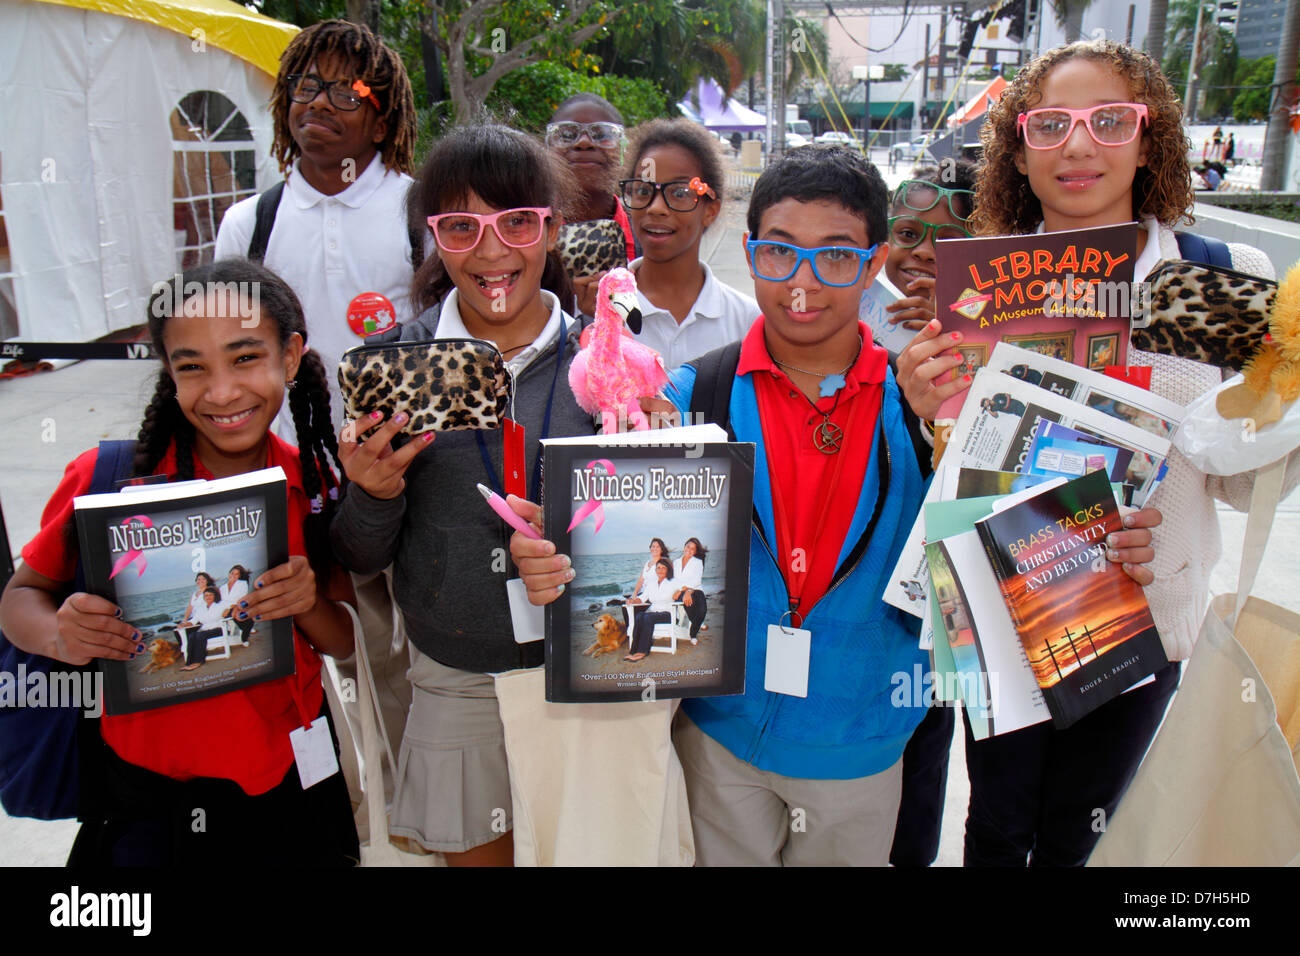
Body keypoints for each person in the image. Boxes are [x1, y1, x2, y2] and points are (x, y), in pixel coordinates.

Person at [898, 38, 1298, 867]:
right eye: (1050, 126)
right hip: (999, 602)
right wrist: (927, 405)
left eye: (1110, 120)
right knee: (997, 831)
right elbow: (956, 462)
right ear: (1019, 148)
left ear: (1149, 139)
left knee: (1091, 837)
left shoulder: (1219, 277)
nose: (1078, 146)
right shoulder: (981, 287)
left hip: (1145, 618)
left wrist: (1278, 397)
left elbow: (1249, 482)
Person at [513, 145, 933, 866]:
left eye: (835, 257)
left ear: (874, 264)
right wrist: (553, 550)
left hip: (860, 739)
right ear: (749, 251)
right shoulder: (687, 397)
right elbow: (607, 534)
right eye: (779, 253)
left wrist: (951, 432)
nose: (802, 283)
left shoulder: (919, 407)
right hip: (718, 734)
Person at [0, 260, 359, 865]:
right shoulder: (106, 480)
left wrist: (307, 604)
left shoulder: (313, 484)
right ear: (168, 371)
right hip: (145, 793)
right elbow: (18, 598)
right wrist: (61, 634)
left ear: (291, 356)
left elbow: (345, 638)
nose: (221, 392)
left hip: (288, 782)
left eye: (245, 357)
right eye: (192, 367)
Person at [329, 124, 596, 867]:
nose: (490, 251)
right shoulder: (389, 371)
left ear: (551, 227)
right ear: (432, 238)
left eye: (516, 221)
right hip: (455, 671)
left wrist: (580, 533)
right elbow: (356, 554)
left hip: (586, 667)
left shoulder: (609, 364)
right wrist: (374, 494)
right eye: (459, 226)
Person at [213, 19, 421, 791]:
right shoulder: (251, 220)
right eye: (306, 85)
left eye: (345, 89)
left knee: (396, 655)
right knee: (307, 651)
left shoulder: (415, 208)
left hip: (394, 476)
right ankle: (334, 804)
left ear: (383, 115)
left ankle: (409, 805)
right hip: (283, 473)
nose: (320, 103)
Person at [618, 118, 759, 367]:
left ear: (710, 210)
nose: (656, 207)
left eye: (680, 193)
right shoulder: (601, 311)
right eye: (642, 190)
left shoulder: (747, 321)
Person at [546, 93, 636, 317]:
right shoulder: (524, 239)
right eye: (567, 135)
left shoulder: (650, 237)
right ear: (547, 149)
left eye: (602, 135)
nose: (584, 142)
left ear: (624, 151)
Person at [868, 161, 977, 337]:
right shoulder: (851, 306)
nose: (925, 253)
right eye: (908, 234)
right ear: (885, 236)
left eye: (947, 242)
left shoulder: (982, 326)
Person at [625, 557, 676, 662]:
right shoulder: (652, 584)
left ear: (668, 570)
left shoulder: (673, 582)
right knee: (639, 616)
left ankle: (643, 651)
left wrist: (681, 593)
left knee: (647, 617)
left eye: (663, 568)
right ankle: (633, 650)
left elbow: (686, 587)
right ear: (655, 570)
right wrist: (632, 601)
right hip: (654, 613)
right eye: (658, 568)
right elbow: (642, 598)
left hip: (668, 613)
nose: (660, 570)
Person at [179, 586, 226, 672]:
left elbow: (228, 611)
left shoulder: (220, 605)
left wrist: (227, 611)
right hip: (206, 630)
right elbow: (193, 621)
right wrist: (184, 625)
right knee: (192, 635)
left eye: (210, 595)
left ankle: (198, 661)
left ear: (215, 595)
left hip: (219, 628)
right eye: (206, 595)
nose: (208, 597)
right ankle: (189, 662)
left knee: (200, 635)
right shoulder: (201, 608)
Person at [671, 537, 708, 641]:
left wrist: (686, 590)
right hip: (680, 592)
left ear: (695, 552)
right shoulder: (676, 562)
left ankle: (697, 623)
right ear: (684, 547)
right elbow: (673, 580)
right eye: (688, 547)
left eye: (693, 549)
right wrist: (682, 591)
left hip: (696, 589)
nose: (689, 550)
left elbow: (696, 580)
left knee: (703, 610)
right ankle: (693, 634)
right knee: (688, 602)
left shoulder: (697, 562)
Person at [220, 564, 255, 644]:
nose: (233, 576)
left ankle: (244, 637)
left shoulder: (242, 584)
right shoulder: (222, 587)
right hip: (225, 610)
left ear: (239, 576)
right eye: (232, 573)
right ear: (229, 574)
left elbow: (241, 598)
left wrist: (234, 607)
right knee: (245, 621)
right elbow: (221, 602)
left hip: (237, 607)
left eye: (236, 574)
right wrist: (227, 608)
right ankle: (246, 631)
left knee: (246, 618)